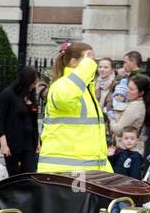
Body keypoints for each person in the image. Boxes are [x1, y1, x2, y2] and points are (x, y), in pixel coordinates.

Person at [38, 42, 109, 174]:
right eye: (88, 60)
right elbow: (65, 97)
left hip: (86, 171)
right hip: (66, 172)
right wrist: (86, 68)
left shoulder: (85, 89)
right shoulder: (61, 86)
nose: (93, 65)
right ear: (73, 62)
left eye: (93, 60)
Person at [0, 66, 40, 175]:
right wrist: (4, 144)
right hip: (12, 142)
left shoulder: (30, 95)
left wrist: (37, 141)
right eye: (33, 83)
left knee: (30, 173)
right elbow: (0, 122)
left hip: (29, 142)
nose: (34, 86)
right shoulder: (7, 95)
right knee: (14, 175)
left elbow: (34, 121)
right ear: (26, 82)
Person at [110, 73, 150, 144]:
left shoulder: (136, 106)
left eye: (131, 89)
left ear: (141, 93)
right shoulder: (136, 102)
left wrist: (111, 118)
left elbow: (119, 130)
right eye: (128, 87)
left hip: (127, 149)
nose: (127, 91)